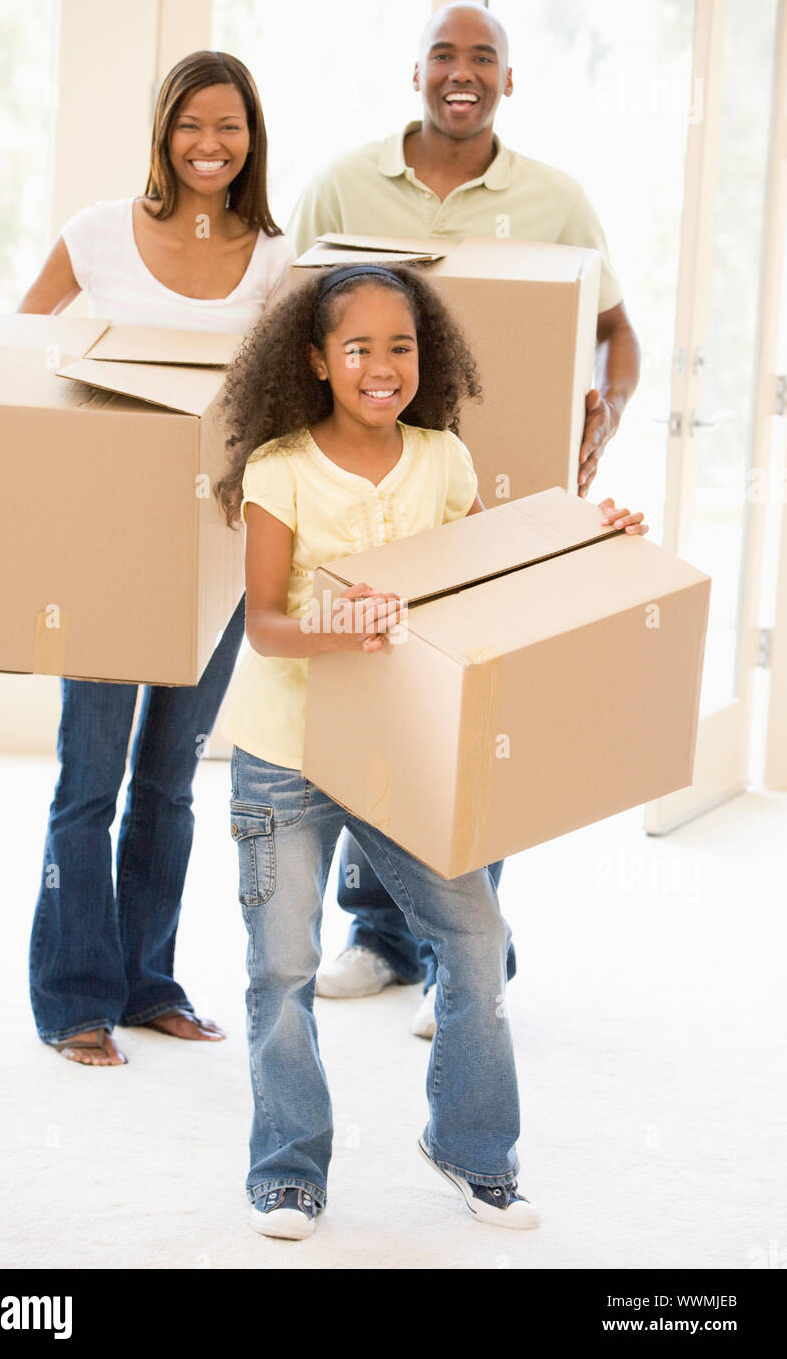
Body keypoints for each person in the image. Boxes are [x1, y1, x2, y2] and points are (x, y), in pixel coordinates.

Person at [212, 262, 647, 1238]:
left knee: (474, 940)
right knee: (281, 968)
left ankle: (471, 1149)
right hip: (283, 750)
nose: (380, 365)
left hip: (399, 750)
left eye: (399, 346)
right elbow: (268, 627)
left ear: (425, 357)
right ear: (317, 361)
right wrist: (344, 622)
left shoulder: (442, 458)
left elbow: (492, 575)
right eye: (356, 346)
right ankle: (286, 1169)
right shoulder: (278, 465)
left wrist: (597, 532)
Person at [287, 1, 642, 1027]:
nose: (461, 72)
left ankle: (465, 955)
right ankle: (381, 935)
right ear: (414, 73)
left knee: (480, 721)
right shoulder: (343, 186)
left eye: (481, 57)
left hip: (498, 503)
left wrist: (603, 415)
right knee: (375, 712)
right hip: (365, 494)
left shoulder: (554, 200)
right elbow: (284, 320)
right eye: (443, 54)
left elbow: (618, 335)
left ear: (506, 81)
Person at [19, 50, 295, 1066]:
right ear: (161, 132)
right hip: (102, 543)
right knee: (87, 777)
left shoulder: (272, 257)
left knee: (171, 776)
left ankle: (147, 980)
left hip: (216, 548)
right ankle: (72, 996)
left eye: (230, 127)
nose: (209, 145)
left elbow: (284, 405)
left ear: (251, 139)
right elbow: (21, 354)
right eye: (191, 125)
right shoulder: (96, 234)